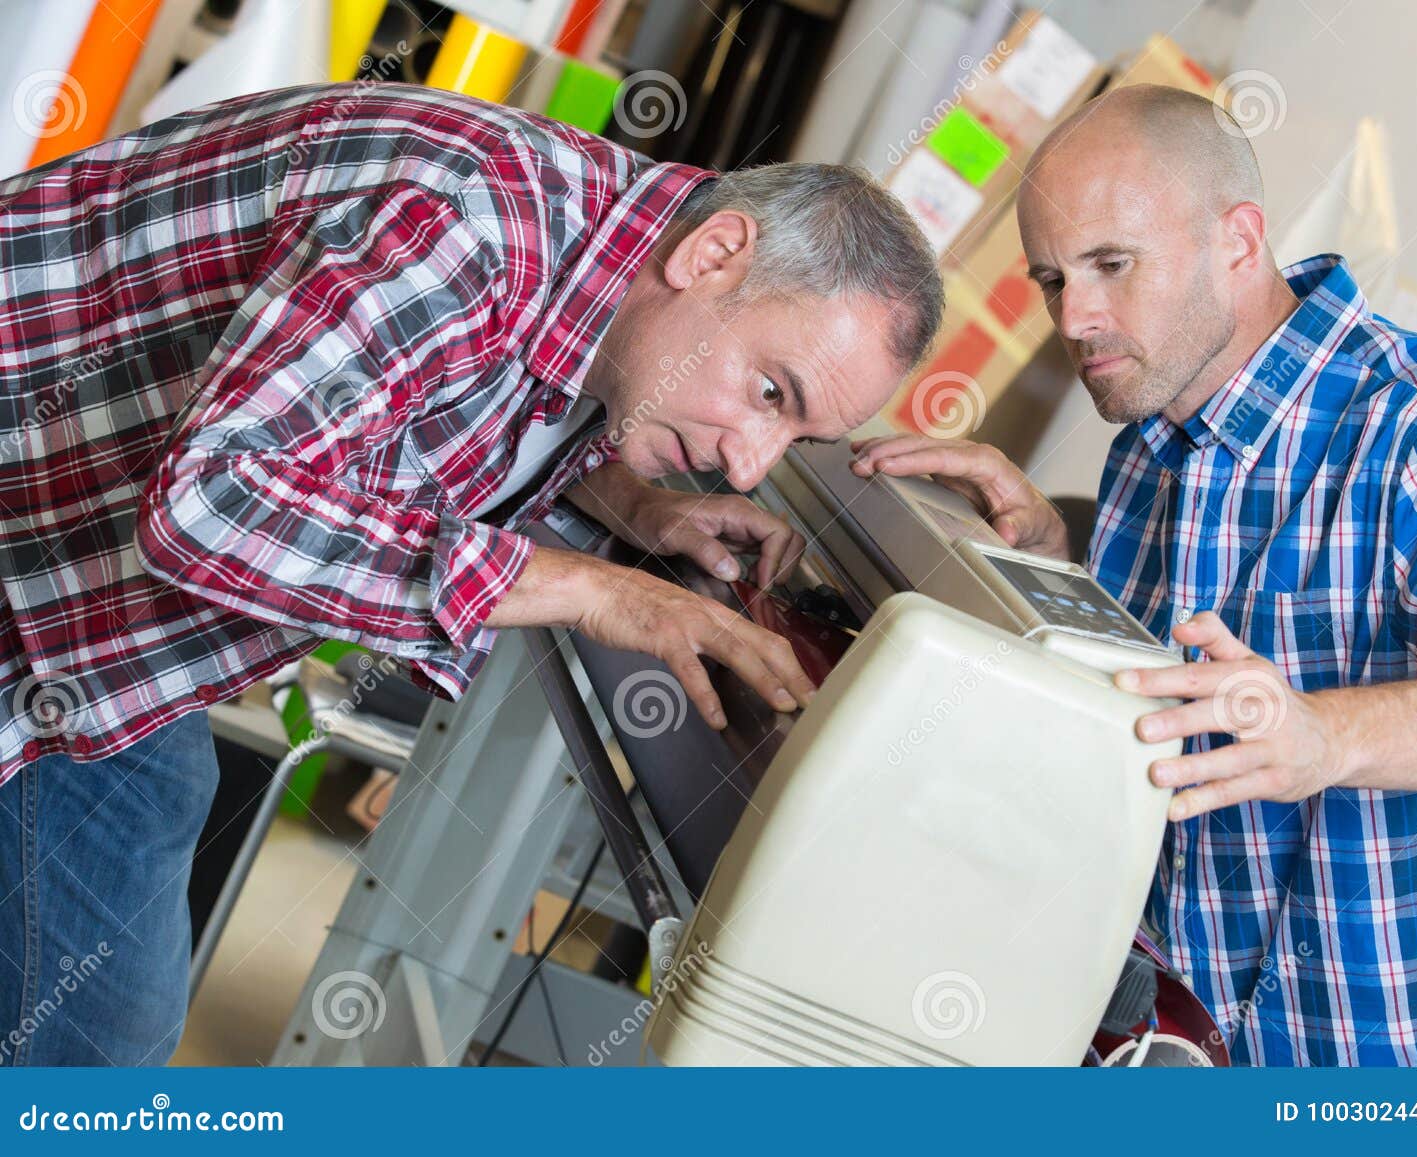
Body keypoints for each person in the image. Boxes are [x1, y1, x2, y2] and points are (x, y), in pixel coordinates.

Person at [0, 82, 942, 1065]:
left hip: (67, 614)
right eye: (767, 391)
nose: (745, 464)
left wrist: (631, 501)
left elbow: (455, 395)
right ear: (712, 255)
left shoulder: (605, 264)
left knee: (127, 883)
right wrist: (585, 583)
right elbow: (208, 506)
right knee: (94, 1037)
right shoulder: (465, 222)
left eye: (794, 432)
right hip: (34, 568)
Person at [853, 84, 1417, 1065]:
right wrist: (1044, 569)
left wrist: (1323, 733)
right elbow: (1153, 712)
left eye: (1111, 264)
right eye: (1050, 280)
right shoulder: (1146, 452)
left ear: (1239, 243)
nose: (1074, 318)